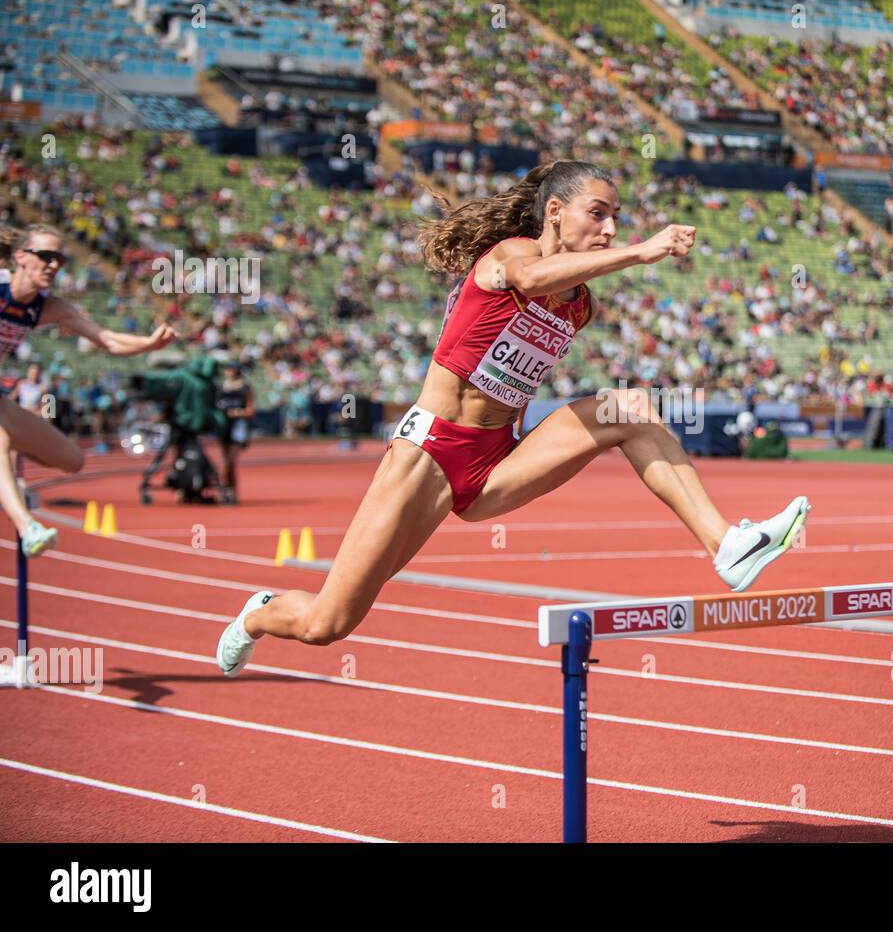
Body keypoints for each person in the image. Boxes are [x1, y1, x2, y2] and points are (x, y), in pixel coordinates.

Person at [217, 160, 811, 676]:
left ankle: (725, 545)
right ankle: (260, 611)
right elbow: (529, 279)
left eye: (617, 218)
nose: (610, 228)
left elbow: (519, 371)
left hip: (498, 453)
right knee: (329, 623)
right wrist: (642, 251)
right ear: (554, 211)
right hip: (429, 454)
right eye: (597, 214)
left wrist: (523, 440)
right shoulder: (509, 257)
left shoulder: (579, 303)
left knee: (627, 407)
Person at [0, 225, 176, 555]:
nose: (54, 265)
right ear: (21, 257)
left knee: (72, 459)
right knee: (1, 439)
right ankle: (28, 527)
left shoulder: (50, 307)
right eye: (47, 256)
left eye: (60, 260)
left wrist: (148, 344)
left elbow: (106, 339)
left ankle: (8, 477)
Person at [216, 360, 254, 504]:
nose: (229, 371)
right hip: (223, 426)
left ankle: (226, 489)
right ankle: (231, 492)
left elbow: (251, 410)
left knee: (229, 461)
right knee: (228, 461)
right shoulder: (221, 388)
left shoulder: (244, 388)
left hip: (238, 426)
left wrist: (238, 413)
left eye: (231, 369)